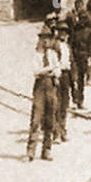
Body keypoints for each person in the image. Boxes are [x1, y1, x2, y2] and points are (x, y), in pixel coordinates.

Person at [28, 25, 61, 161]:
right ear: (40, 40)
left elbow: (58, 71)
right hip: (40, 88)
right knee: (36, 119)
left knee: (50, 120)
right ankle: (31, 150)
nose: (46, 41)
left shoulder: (53, 55)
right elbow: (36, 71)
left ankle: (47, 150)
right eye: (44, 39)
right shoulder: (37, 55)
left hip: (51, 87)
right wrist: (49, 68)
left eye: (48, 38)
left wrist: (53, 71)